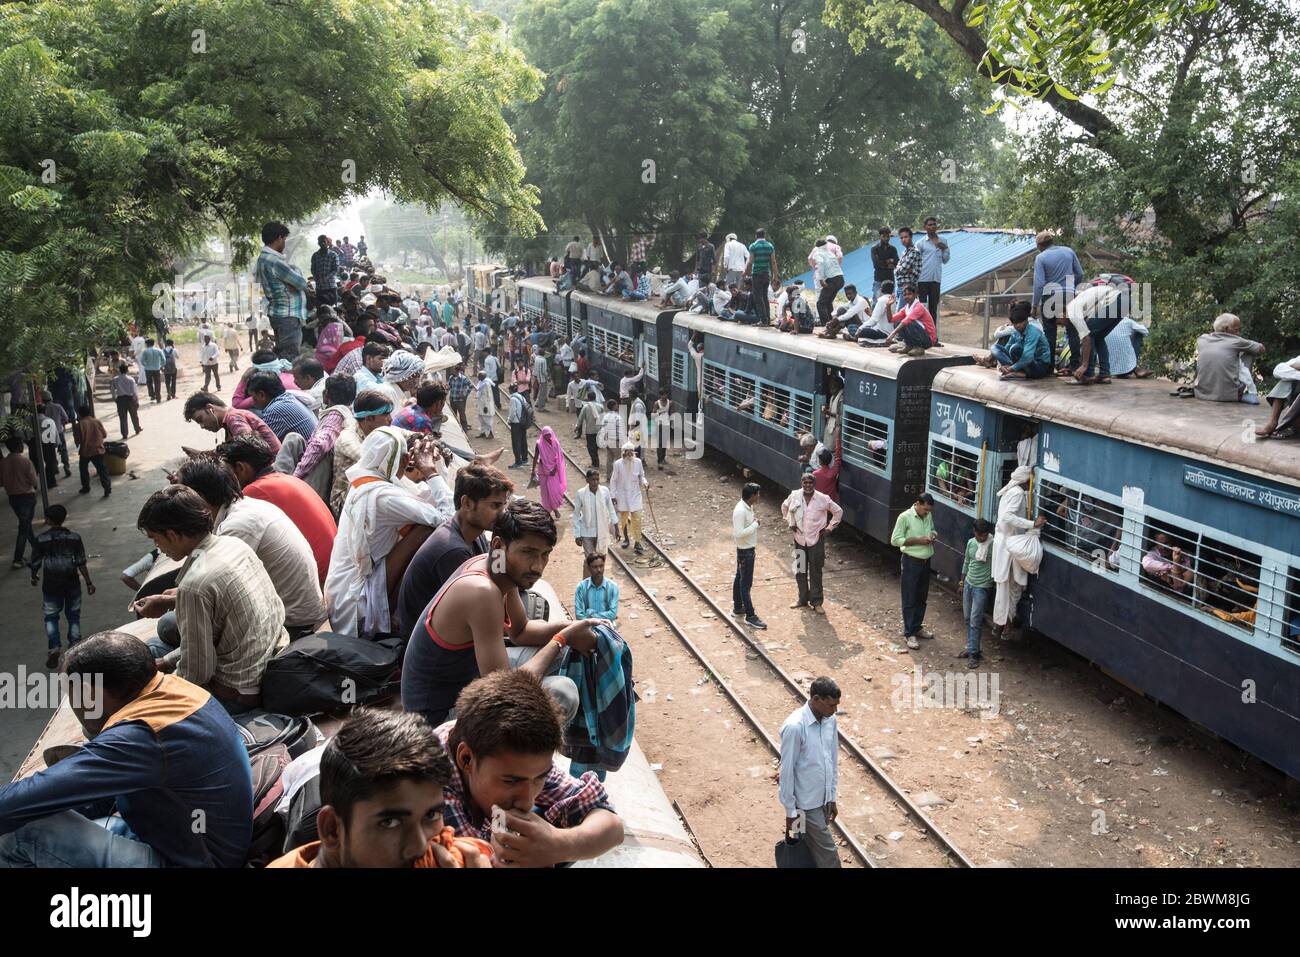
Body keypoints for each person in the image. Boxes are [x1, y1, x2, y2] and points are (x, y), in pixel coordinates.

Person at [0, 631, 252, 867]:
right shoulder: (170, 689)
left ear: (91, 694)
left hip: (190, 861)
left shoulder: (143, 734)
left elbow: (14, 805)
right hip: (181, 837)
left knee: (21, 831)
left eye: (70, 692)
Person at [400, 500, 593, 726]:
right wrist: (562, 638)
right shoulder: (482, 592)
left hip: (470, 681)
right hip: (436, 716)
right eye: (528, 552)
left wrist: (573, 628)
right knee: (563, 692)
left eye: (545, 554)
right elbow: (504, 690)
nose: (538, 567)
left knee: (569, 650)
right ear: (500, 545)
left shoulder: (498, 567)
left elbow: (520, 631)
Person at [434, 670, 624, 865]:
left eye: (540, 778)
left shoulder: (518, 762)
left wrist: (559, 844)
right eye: (511, 781)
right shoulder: (430, 790)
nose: (526, 801)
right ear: (466, 759)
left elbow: (611, 825)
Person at [269, 708, 489, 868]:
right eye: (390, 822)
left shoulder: (463, 856)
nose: (419, 846)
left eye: (431, 814)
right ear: (332, 829)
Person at [134, 485, 288, 713]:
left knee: (139, 685)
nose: (158, 548)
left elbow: (196, 673)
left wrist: (153, 693)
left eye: (156, 539)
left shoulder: (194, 586)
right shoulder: (234, 545)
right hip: (270, 657)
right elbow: (205, 644)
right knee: (157, 649)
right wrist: (165, 662)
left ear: (173, 535)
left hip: (237, 693)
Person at [167, 456, 325, 639]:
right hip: (295, 610)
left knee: (169, 626)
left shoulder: (237, 526)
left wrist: (173, 599)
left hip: (292, 624)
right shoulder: (245, 507)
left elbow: (216, 594)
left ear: (199, 498)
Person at [326, 426, 452, 638]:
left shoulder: (366, 477)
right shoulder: (383, 496)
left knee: (423, 525)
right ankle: (402, 615)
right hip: (355, 604)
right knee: (425, 530)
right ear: (401, 460)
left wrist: (435, 466)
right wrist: (431, 472)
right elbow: (447, 520)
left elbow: (423, 496)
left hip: (340, 594)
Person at [395, 463, 512, 642]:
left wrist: (500, 543)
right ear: (467, 503)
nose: (502, 513)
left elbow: (498, 581)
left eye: (504, 505)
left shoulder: (473, 533)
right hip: (433, 654)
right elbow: (492, 605)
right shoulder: (453, 551)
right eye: (495, 506)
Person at [215, 434, 337, 584]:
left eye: (225, 472)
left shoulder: (255, 491)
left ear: (240, 468)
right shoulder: (285, 479)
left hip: (321, 578)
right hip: (333, 569)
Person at [778, 676, 841, 869]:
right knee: (828, 854)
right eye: (831, 705)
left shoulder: (830, 721)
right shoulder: (795, 727)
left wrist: (831, 797)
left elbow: (832, 759)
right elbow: (786, 771)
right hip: (804, 806)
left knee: (804, 846)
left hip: (822, 801)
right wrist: (790, 811)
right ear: (816, 699)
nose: (835, 710)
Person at [29, 504, 95, 669]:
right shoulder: (74, 538)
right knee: (73, 615)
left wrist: (34, 575)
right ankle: (74, 645)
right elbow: (81, 561)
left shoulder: (41, 539)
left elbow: (35, 561)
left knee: (51, 616)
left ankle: (54, 647)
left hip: (51, 584)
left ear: (48, 520)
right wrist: (88, 582)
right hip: (71, 580)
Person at [991, 466, 1046, 638]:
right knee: (1013, 586)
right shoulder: (1017, 493)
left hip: (1006, 544)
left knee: (1008, 586)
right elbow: (1007, 517)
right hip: (1010, 545)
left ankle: (1001, 623)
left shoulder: (1010, 491)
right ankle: (1005, 624)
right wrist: (1032, 524)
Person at [782, 471, 842, 614]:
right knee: (800, 570)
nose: (807, 485)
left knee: (816, 571)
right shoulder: (795, 495)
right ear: (801, 483)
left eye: (810, 483)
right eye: (805, 483)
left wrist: (829, 528)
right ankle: (802, 599)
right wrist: (790, 522)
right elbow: (784, 507)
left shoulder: (823, 499)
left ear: (814, 484)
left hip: (816, 540)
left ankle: (816, 602)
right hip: (799, 539)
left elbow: (838, 511)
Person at [254, 221, 309, 360]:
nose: (284, 243)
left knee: (283, 355)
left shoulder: (263, 259)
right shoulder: (275, 261)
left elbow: (294, 283)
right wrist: (295, 275)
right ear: (278, 238)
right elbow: (301, 282)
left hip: (278, 313)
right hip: (287, 316)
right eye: (284, 239)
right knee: (289, 358)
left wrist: (291, 282)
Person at [890, 492, 938, 650]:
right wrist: (918, 540)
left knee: (921, 597)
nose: (927, 513)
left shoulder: (928, 515)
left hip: (925, 561)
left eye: (929, 510)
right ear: (917, 504)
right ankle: (909, 633)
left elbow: (932, 529)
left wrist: (933, 535)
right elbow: (895, 540)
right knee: (909, 597)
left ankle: (917, 627)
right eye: (925, 509)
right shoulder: (905, 517)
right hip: (911, 561)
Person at [1031, 231, 1084, 368]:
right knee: (1073, 331)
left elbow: (1039, 284)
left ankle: (1048, 368)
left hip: (1050, 296)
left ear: (1040, 245)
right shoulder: (1069, 251)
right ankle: (1075, 366)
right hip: (1069, 296)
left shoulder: (1041, 258)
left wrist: (1034, 305)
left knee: (1050, 332)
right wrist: (1071, 286)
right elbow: (1080, 273)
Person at [1193, 313, 1266, 402]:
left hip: (1200, 394)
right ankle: (1250, 391)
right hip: (1228, 396)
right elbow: (1261, 349)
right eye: (1237, 330)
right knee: (1250, 352)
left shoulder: (1202, 339)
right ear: (1226, 329)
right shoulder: (1236, 341)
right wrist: (1243, 346)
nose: (1239, 333)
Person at [184, 391, 282, 454]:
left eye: (200, 419)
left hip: (273, 469)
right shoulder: (230, 419)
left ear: (210, 409)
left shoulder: (233, 417)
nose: (202, 426)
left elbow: (246, 446)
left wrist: (203, 455)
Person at [958, 518, 994, 669]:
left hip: (982, 587)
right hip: (969, 584)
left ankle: (973, 654)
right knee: (968, 618)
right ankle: (974, 648)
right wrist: (962, 582)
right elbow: (967, 562)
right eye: (979, 535)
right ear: (975, 533)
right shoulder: (971, 543)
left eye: (984, 535)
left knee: (975, 620)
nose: (982, 538)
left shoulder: (993, 545)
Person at [245, 370, 318, 442]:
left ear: (262, 395)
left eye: (254, 397)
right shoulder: (287, 397)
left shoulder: (274, 410)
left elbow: (262, 444)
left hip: (310, 452)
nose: (253, 402)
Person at [732, 482, 765, 629]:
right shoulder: (741, 511)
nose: (759, 496)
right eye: (757, 494)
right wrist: (755, 525)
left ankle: (738, 607)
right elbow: (739, 533)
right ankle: (750, 615)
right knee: (746, 584)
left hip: (745, 550)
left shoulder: (747, 507)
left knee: (739, 577)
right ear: (752, 496)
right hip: (745, 551)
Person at [992, 301, 1052, 379]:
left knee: (1016, 348)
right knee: (995, 348)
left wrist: (1011, 368)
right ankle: (1017, 371)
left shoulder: (1033, 332)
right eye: (1015, 323)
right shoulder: (1015, 331)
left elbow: (1027, 358)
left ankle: (1019, 372)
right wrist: (1002, 365)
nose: (1018, 325)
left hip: (1038, 366)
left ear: (1026, 320)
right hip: (1022, 363)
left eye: (1020, 322)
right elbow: (1006, 349)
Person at [609, 441, 649, 555]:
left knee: (637, 519)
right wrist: (613, 496)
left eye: (631, 452)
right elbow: (613, 480)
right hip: (622, 496)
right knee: (624, 519)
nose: (629, 454)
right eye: (627, 452)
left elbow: (642, 476)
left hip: (635, 495)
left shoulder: (638, 462)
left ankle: (637, 542)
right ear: (623, 453)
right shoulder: (617, 464)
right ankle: (626, 539)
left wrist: (645, 483)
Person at [915, 216, 949, 336]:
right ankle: (922, 335)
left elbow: (945, 260)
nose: (932, 226)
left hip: (936, 280)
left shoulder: (943, 241)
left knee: (933, 309)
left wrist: (944, 248)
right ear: (925, 227)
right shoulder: (920, 243)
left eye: (934, 224)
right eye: (929, 225)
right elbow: (916, 262)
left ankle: (932, 337)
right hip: (923, 280)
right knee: (922, 309)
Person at [572, 466, 617, 558]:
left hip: (602, 531)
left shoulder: (605, 491)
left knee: (601, 558)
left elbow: (611, 510)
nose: (595, 482)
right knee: (590, 560)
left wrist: (616, 527)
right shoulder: (581, 493)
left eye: (597, 479)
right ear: (587, 480)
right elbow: (576, 515)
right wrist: (577, 534)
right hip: (586, 532)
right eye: (593, 480)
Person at [881, 283, 937, 356]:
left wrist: (892, 334)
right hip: (921, 335)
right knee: (897, 322)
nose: (907, 297)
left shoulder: (919, 306)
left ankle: (918, 347)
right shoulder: (906, 307)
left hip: (928, 339)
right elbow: (891, 319)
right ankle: (909, 345)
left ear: (915, 294)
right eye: (905, 295)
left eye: (909, 294)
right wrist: (888, 306)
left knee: (909, 322)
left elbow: (908, 320)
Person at [74, 405, 111, 497]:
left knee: (83, 469)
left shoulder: (80, 424)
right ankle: (107, 487)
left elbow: (78, 440)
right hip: (98, 450)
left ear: (80, 414)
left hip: (85, 451)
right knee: (102, 469)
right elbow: (104, 434)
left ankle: (86, 487)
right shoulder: (96, 421)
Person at [530, 426, 567, 519]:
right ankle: (550, 511)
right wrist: (533, 470)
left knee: (554, 491)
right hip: (543, 470)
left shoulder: (555, 443)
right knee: (545, 492)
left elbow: (559, 457)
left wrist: (554, 469)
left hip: (553, 471)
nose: (547, 437)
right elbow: (535, 457)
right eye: (546, 435)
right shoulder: (539, 444)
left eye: (549, 434)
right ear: (542, 435)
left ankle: (555, 509)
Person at [744, 228, 777, 326]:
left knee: (758, 298)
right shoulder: (770, 246)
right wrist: (775, 276)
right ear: (764, 235)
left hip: (757, 274)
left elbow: (750, 262)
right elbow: (773, 262)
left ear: (756, 236)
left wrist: (746, 273)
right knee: (765, 296)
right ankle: (766, 320)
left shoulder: (753, 246)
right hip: (766, 274)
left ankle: (763, 321)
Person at [574, 552, 619, 622]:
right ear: (588, 568)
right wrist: (603, 616)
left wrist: (590, 613)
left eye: (601, 566)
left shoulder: (613, 587)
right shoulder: (581, 587)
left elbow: (612, 615)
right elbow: (579, 615)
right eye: (595, 567)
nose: (599, 570)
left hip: (606, 627)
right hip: (587, 628)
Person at [809, 239, 844, 329]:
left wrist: (820, 280)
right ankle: (832, 324)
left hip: (832, 280)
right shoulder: (830, 253)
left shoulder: (818, 253)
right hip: (840, 279)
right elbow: (839, 258)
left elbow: (820, 264)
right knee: (828, 303)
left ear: (817, 247)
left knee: (820, 303)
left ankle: (826, 325)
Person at [110, 362, 142, 439]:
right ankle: (137, 429)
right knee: (134, 415)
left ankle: (124, 434)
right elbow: (134, 391)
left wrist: (115, 398)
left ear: (119, 370)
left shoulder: (115, 379)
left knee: (123, 417)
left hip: (120, 399)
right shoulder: (131, 379)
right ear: (127, 370)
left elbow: (112, 390)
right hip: (130, 399)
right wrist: (136, 400)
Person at [507, 381, 532, 470]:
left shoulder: (513, 399)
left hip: (516, 423)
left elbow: (513, 412)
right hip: (523, 422)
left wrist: (509, 420)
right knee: (523, 440)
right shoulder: (521, 397)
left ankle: (518, 461)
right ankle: (525, 459)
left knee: (516, 442)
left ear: (510, 390)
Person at [311, 234, 341, 308]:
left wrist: (326, 278)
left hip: (331, 286)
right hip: (319, 288)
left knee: (333, 308)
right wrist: (316, 277)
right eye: (321, 242)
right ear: (318, 243)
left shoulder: (333, 255)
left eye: (324, 242)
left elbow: (336, 270)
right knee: (321, 309)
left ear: (327, 243)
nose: (322, 243)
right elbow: (312, 269)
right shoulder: (315, 255)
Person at [870, 227, 898, 301]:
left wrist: (883, 262)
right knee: (877, 301)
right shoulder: (874, 249)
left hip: (890, 279)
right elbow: (876, 264)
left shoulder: (893, 249)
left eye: (888, 236)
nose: (886, 238)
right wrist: (889, 261)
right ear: (880, 236)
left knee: (891, 301)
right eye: (884, 236)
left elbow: (896, 263)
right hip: (879, 279)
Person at [447, 366, 473, 431]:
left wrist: (464, 394)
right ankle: (455, 428)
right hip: (452, 399)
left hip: (460, 400)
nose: (451, 372)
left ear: (457, 371)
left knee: (462, 415)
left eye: (452, 370)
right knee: (453, 414)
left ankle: (464, 429)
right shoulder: (451, 377)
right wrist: (446, 388)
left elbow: (470, 386)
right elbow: (449, 386)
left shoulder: (463, 378)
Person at [139, 337, 165, 402]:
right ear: (153, 343)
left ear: (147, 344)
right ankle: (158, 396)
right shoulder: (159, 350)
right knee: (157, 382)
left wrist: (146, 365)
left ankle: (152, 395)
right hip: (157, 369)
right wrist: (161, 366)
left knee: (149, 383)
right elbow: (164, 360)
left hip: (148, 369)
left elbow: (142, 361)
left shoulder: (145, 351)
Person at [474, 370, 495, 439]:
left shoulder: (487, 384)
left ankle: (490, 433)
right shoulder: (481, 383)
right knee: (481, 419)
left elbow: (489, 396)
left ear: (483, 377)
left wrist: (486, 406)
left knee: (488, 420)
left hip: (486, 405)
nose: (478, 377)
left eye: (479, 376)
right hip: (481, 404)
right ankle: (482, 432)